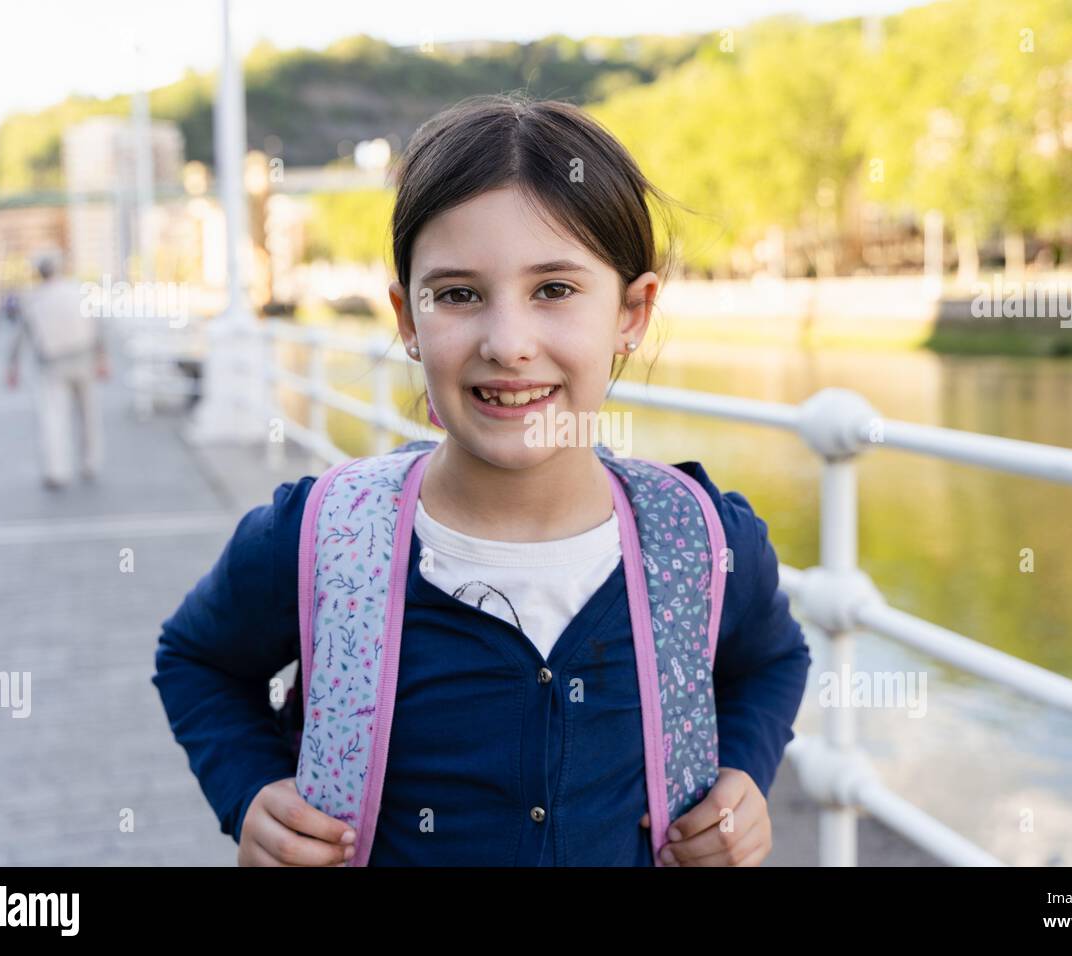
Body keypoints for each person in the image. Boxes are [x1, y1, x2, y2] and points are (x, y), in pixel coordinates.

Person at [152, 93, 812, 867]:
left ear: (633, 312)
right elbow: (196, 659)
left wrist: (742, 776)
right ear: (406, 318)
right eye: (459, 295)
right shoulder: (320, 538)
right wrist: (251, 791)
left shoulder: (700, 541)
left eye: (555, 291)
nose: (508, 343)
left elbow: (771, 658)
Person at [6, 253, 108, 489]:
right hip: (84, 358)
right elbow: (97, 325)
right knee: (89, 416)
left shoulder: (33, 298)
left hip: (52, 364)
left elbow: (20, 335)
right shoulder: (77, 291)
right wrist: (103, 358)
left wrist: (13, 366)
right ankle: (90, 462)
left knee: (53, 418)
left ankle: (57, 470)